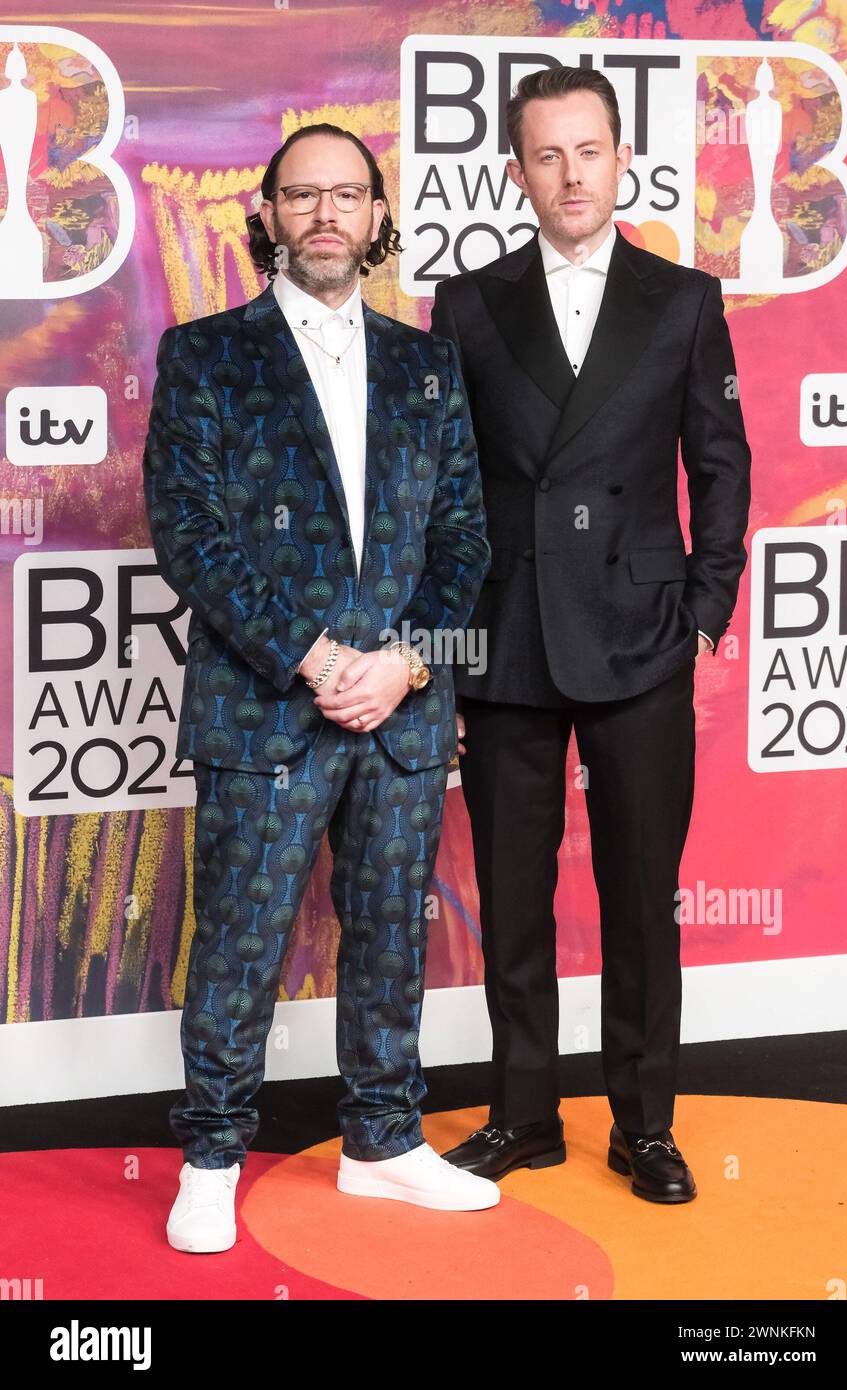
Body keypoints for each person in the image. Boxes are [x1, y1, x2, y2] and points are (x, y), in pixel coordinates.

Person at [143, 123, 497, 1252]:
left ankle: (383, 1140)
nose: (327, 215)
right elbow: (188, 533)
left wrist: (403, 662)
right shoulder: (204, 355)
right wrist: (311, 654)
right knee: (239, 940)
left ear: (379, 216)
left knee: (392, 932)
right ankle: (209, 1153)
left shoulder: (427, 364)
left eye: (348, 194)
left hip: (402, 709)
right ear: (267, 216)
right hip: (267, 706)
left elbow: (462, 540)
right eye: (303, 196)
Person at [431, 67, 751, 1203]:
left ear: (622, 160)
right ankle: (523, 1115)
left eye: (588, 151)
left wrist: (706, 607)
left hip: (638, 638)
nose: (570, 175)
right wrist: (448, 640)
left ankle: (645, 1123)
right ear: (514, 172)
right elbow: (444, 484)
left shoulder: (680, 298)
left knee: (638, 895)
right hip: (506, 638)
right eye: (546, 155)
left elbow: (719, 461)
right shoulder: (466, 305)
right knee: (515, 901)